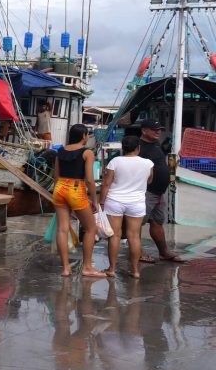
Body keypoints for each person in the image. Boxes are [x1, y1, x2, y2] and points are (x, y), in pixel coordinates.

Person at [99, 135, 153, 278]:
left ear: (123, 148)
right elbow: (149, 180)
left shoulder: (115, 161)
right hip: (136, 202)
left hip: (115, 201)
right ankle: (135, 271)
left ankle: (111, 269)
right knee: (134, 236)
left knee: (115, 235)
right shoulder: (148, 163)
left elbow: (106, 184)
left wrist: (101, 202)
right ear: (138, 148)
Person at [52, 123, 99, 277]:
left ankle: (66, 268)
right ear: (83, 136)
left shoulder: (60, 151)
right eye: (87, 134)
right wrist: (94, 200)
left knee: (62, 229)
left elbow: (56, 175)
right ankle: (87, 267)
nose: (88, 137)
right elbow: (90, 180)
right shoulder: (87, 153)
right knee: (91, 229)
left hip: (59, 188)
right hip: (76, 189)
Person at [137, 119, 186, 264]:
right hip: (145, 191)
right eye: (154, 129)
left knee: (157, 222)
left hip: (159, 192)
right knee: (136, 223)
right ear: (144, 130)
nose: (158, 132)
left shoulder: (156, 144)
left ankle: (163, 252)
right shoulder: (138, 147)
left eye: (159, 129)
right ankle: (137, 252)